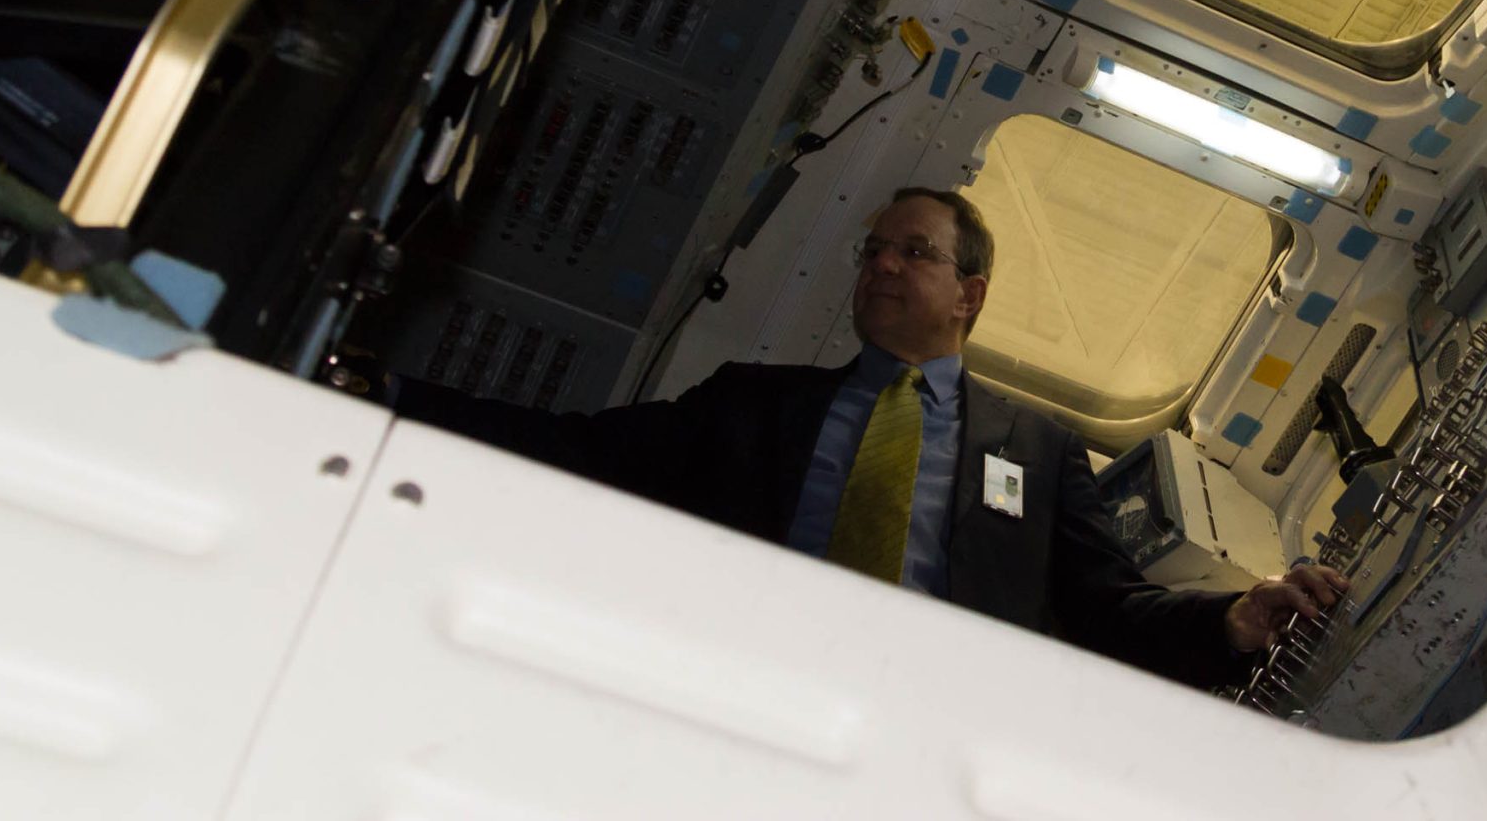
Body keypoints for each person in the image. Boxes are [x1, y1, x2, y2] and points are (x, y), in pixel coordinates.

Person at [394, 186, 1349, 689]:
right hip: (740, 664)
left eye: (913, 251)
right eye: (874, 249)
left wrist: (1231, 616)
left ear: (969, 296)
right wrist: (385, 397)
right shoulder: (751, 401)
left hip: (927, 706)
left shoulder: (1039, 446)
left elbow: (1108, 606)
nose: (882, 262)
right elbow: (579, 450)